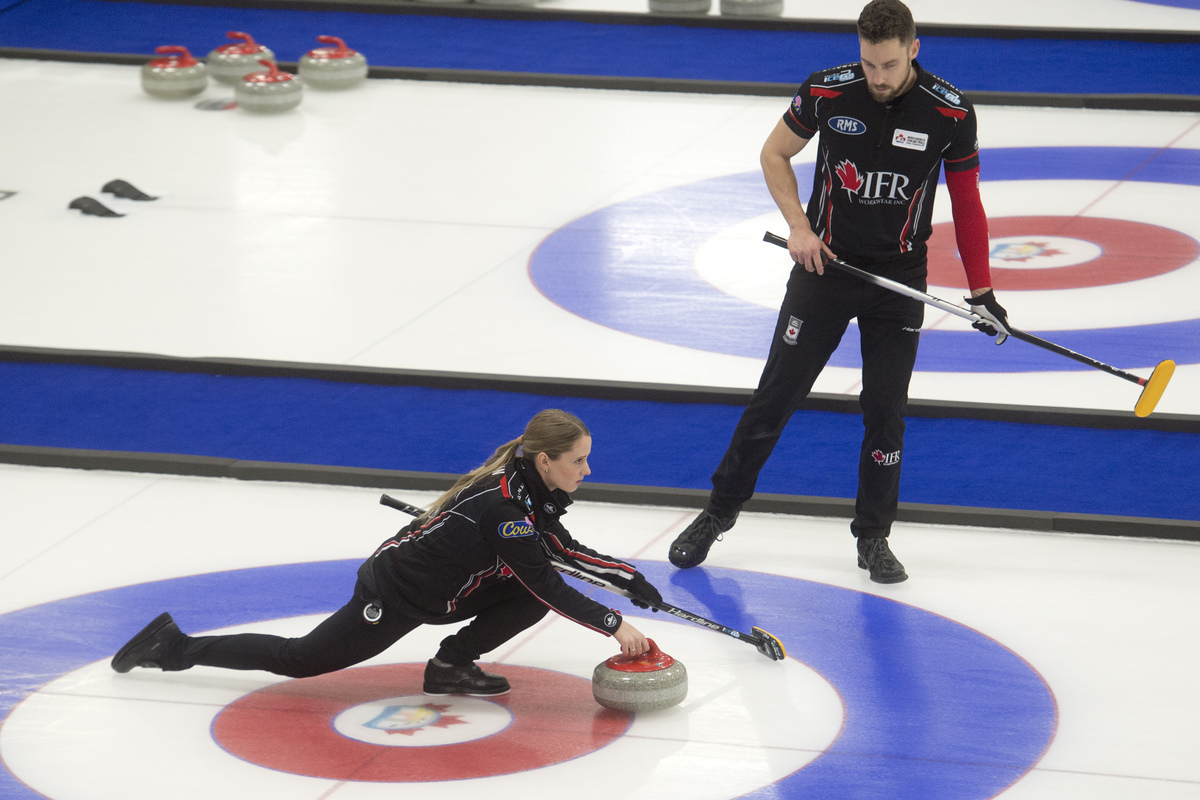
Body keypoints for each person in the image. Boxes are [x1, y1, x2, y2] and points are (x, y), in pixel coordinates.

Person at [667, 0, 1010, 583]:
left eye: (890, 65)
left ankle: (873, 537)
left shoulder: (951, 111)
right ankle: (719, 511)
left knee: (886, 412)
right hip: (824, 268)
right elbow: (774, 152)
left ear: (914, 50)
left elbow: (966, 202)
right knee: (775, 397)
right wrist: (799, 227)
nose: (878, 77)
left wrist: (983, 291)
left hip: (899, 279)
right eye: (869, 63)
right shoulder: (827, 90)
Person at [111, 409, 663, 696]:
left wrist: (627, 577)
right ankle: (174, 646)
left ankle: (450, 666)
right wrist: (615, 624)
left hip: (449, 588)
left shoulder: (527, 490)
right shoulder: (505, 508)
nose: (587, 470)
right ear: (546, 461)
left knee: (527, 595)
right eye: (578, 461)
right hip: (399, 593)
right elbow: (546, 577)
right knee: (301, 660)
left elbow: (558, 548)